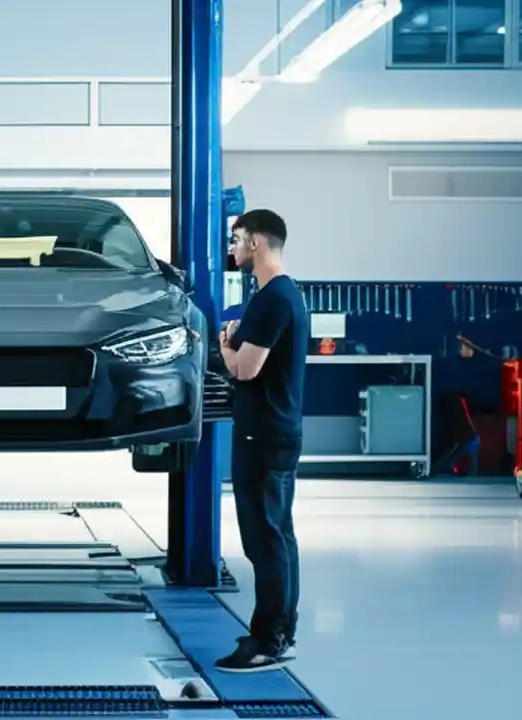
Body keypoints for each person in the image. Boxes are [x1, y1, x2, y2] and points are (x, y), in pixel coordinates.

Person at [215, 209, 308, 673]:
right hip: (277, 431)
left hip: (263, 435)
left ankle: (268, 641)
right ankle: (279, 631)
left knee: (264, 541)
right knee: (279, 536)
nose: (231, 247)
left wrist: (223, 343)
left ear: (256, 241)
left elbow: (244, 369)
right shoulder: (283, 295)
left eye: (235, 238)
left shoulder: (272, 299)